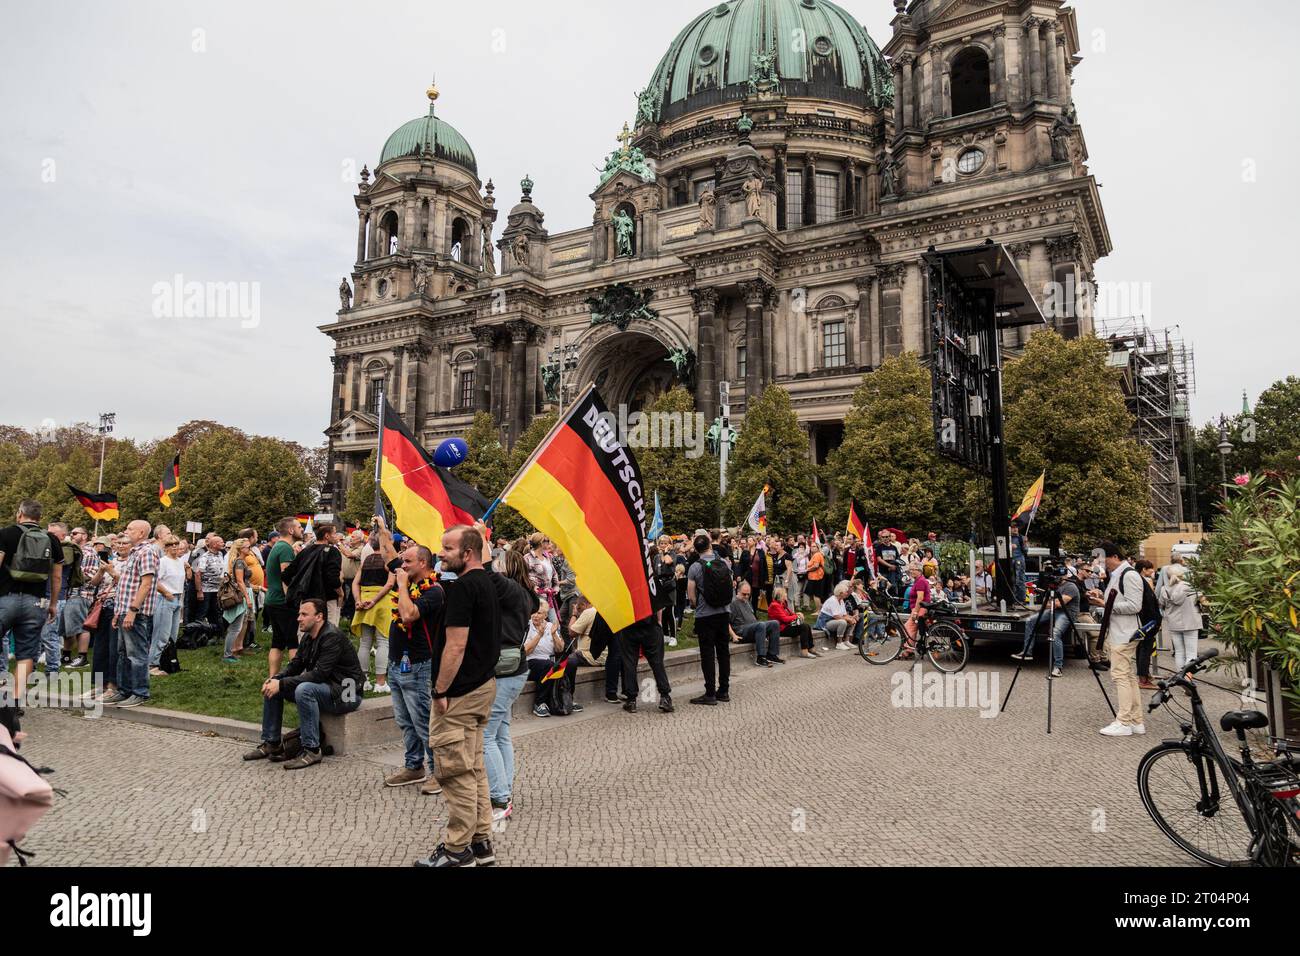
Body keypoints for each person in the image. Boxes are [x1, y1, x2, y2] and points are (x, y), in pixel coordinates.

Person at [414, 523, 501, 869]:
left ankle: (456, 849)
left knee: (454, 772)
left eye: (447, 549)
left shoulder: (465, 587)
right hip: (482, 687)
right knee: (474, 768)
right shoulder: (487, 582)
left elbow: (456, 644)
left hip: (460, 693)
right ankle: (481, 843)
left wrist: (440, 690)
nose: (440, 553)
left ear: (467, 554)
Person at [243, 597, 364, 769]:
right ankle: (271, 742)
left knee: (304, 690)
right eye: (299, 613)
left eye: (304, 614)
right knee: (274, 684)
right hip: (327, 688)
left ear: (319, 617)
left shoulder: (332, 637)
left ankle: (312, 750)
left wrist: (283, 684)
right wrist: (277, 679)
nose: (298, 618)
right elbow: (295, 665)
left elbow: (318, 675)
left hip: (347, 693)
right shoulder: (308, 637)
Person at [373, 522, 443, 793]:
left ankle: (438, 771)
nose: (401, 565)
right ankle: (414, 766)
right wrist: (382, 530)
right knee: (404, 721)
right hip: (396, 662)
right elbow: (389, 556)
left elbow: (408, 615)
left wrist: (401, 585)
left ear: (423, 563)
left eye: (408, 561)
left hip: (419, 664)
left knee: (423, 721)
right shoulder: (405, 575)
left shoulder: (433, 591)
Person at [482, 550, 535, 820]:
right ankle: (505, 787)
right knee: (500, 733)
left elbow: (489, 575)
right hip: (514, 667)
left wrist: (482, 542)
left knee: (486, 736)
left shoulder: (512, 590)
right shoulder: (524, 593)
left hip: (505, 669)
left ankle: (500, 799)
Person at [0, 501, 64, 700]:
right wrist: (53, 603)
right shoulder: (52, 539)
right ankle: (16, 701)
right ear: (39, 517)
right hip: (36, 602)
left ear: (20, 514)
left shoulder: (6, 533)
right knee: (26, 653)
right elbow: (57, 577)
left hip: (5, 598)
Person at [1087, 542, 1147, 737]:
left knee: (1121, 676)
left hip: (1125, 633)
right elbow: (1119, 599)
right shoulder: (1120, 575)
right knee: (1128, 676)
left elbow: (1134, 606)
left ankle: (1124, 721)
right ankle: (1135, 721)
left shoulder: (1128, 575)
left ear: (1113, 556)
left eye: (1102, 559)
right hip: (1123, 631)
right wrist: (1102, 595)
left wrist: (1104, 604)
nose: (1100, 563)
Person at [102, 520, 159, 707]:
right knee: (123, 654)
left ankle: (140, 692)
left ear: (142, 532)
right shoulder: (134, 553)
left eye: (130, 529)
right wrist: (119, 613)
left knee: (136, 654)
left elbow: (146, 584)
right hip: (124, 612)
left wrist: (133, 610)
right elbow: (126, 585)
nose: (126, 531)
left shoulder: (147, 552)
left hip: (137, 613)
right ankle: (124, 690)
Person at [686, 533, 732, 706]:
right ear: (710, 546)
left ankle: (710, 693)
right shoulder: (725, 563)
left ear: (696, 549)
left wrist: (697, 603)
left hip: (705, 615)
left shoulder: (695, 567)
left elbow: (691, 595)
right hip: (724, 612)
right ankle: (724, 690)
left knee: (707, 654)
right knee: (723, 652)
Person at [1011, 565, 1079, 678]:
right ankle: (1027, 652)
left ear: (1066, 576)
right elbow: (1045, 602)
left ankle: (1058, 666)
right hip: (1053, 610)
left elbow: (1058, 604)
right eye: (1057, 575)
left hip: (1067, 613)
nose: (1058, 577)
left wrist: (1051, 603)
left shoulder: (1071, 586)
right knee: (1030, 620)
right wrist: (1051, 602)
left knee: (1055, 633)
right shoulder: (1053, 586)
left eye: (1061, 575)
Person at [263, 517, 302, 677]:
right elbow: (287, 577)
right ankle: (294, 679)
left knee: (277, 642)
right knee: (293, 642)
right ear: (291, 530)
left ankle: (273, 678)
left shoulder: (279, 546)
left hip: (273, 600)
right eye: (299, 527)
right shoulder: (285, 548)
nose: (302, 529)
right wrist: (292, 600)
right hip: (282, 601)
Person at [350, 550, 393, 693]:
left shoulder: (366, 560)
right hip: (382, 602)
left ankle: (364, 681)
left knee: (364, 643)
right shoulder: (389, 560)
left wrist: (358, 600)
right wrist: (374, 600)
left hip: (363, 601)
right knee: (383, 642)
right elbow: (389, 584)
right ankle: (380, 683)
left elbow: (355, 583)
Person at [617, 612, 674, 714]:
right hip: (649, 622)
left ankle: (631, 700)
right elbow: (659, 603)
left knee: (629, 663)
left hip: (629, 624)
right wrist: (659, 620)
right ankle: (665, 697)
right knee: (657, 663)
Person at [149, 536, 186, 676]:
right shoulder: (163, 562)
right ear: (166, 547)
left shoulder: (180, 561)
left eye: (177, 544)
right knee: (161, 634)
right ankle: (152, 664)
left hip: (177, 597)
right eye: (171, 545)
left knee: (173, 635)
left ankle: (168, 661)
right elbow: (155, 581)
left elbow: (183, 580)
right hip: (165, 598)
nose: (175, 547)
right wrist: (166, 592)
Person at [1159, 564, 1202, 674]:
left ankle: (1181, 679)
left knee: (1179, 652)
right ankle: (1188, 679)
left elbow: (1161, 604)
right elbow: (1201, 599)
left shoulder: (1165, 589)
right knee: (1191, 653)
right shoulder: (1190, 586)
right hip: (1191, 623)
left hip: (1174, 624)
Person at [729, 580, 781, 666]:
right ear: (738, 591)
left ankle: (772, 654)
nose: (746, 596)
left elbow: (753, 620)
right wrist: (733, 636)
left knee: (775, 623)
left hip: (754, 629)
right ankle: (761, 658)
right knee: (760, 625)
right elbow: (725, 622)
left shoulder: (747, 602)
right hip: (741, 631)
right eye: (744, 594)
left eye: (748, 594)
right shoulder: (733, 603)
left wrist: (763, 632)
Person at [526, 599, 562, 717]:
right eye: (534, 612)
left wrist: (553, 635)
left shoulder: (550, 626)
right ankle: (539, 703)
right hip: (528, 664)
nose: (535, 615)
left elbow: (559, 649)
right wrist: (539, 635)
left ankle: (564, 699)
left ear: (546, 615)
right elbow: (525, 651)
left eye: (539, 613)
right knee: (548, 666)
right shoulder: (526, 626)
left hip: (547, 663)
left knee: (569, 663)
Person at [191, 534, 227, 634]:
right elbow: (198, 575)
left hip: (217, 590)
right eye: (221, 542)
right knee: (203, 612)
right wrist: (199, 591)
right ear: (214, 544)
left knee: (216, 612)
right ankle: (196, 633)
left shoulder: (220, 554)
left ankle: (217, 633)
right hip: (206, 590)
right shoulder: (205, 557)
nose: (223, 543)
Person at [1134, 559, 1160, 690]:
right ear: (1144, 569)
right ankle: (1143, 678)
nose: (1152, 571)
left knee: (1143, 649)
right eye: (1150, 568)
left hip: (1147, 621)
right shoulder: (1141, 582)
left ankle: (1145, 675)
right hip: (1148, 622)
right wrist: (1154, 620)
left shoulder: (1142, 581)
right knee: (1145, 649)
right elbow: (1147, 604)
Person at [815, 580, 858, 651]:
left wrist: (851, 618)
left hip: (834, 620)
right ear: (840, 593)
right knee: (843, 622)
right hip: (825, 623)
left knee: (852, 621)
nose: (847, 593)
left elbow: (844, 614)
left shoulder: (841, 600)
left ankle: (846, 641)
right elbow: (836, 616)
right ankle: (839, 643)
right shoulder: (832, 600)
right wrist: (848, 619)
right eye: (846, 592)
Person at [764, 587, 804, 659]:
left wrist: (797, 615)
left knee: (804, 626)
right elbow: (785, 619)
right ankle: (805, 651)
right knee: (803, 627)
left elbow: (790, 614)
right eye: (784, 593)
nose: (786, 594)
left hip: (786, 626)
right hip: (781, 629)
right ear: (780, 596)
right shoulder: (775, 605)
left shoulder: (782, 604)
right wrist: (796, 616)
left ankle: (810, 648)